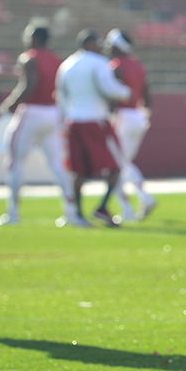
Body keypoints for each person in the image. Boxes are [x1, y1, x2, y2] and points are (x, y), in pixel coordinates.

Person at [0, 26, 77, 227]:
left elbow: (29, 85)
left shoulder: (29, 57)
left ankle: (13, 213)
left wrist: (4, 108)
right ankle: (71, 211)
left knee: (14, 162)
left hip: (32, 112)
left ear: (35, 38)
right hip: (53, 113)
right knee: (57, 164)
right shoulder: (57, 59)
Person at [56, 29, 132, 227]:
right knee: (116, 166)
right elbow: (110, 89)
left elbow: (61, 97)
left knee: (78, 171)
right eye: (97, 43)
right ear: (90, 43)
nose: (100, 47)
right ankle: (102, 207)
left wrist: (64, 120)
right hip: (96, 120)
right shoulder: (99, 63)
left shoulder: (67, 65)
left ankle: (78, 214)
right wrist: (126, 91)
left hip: (73, 121)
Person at [106, 29, 157, 221]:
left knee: (116, 165)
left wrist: (109, 118)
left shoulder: (115, 66)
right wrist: (145, 115)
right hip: (138, 115)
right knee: (122, 163)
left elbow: (113, 96)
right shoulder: (138, 65)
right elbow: (148, 95)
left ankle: (136, 202)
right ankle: (133, 204)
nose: (107, 47)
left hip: (123, 115)